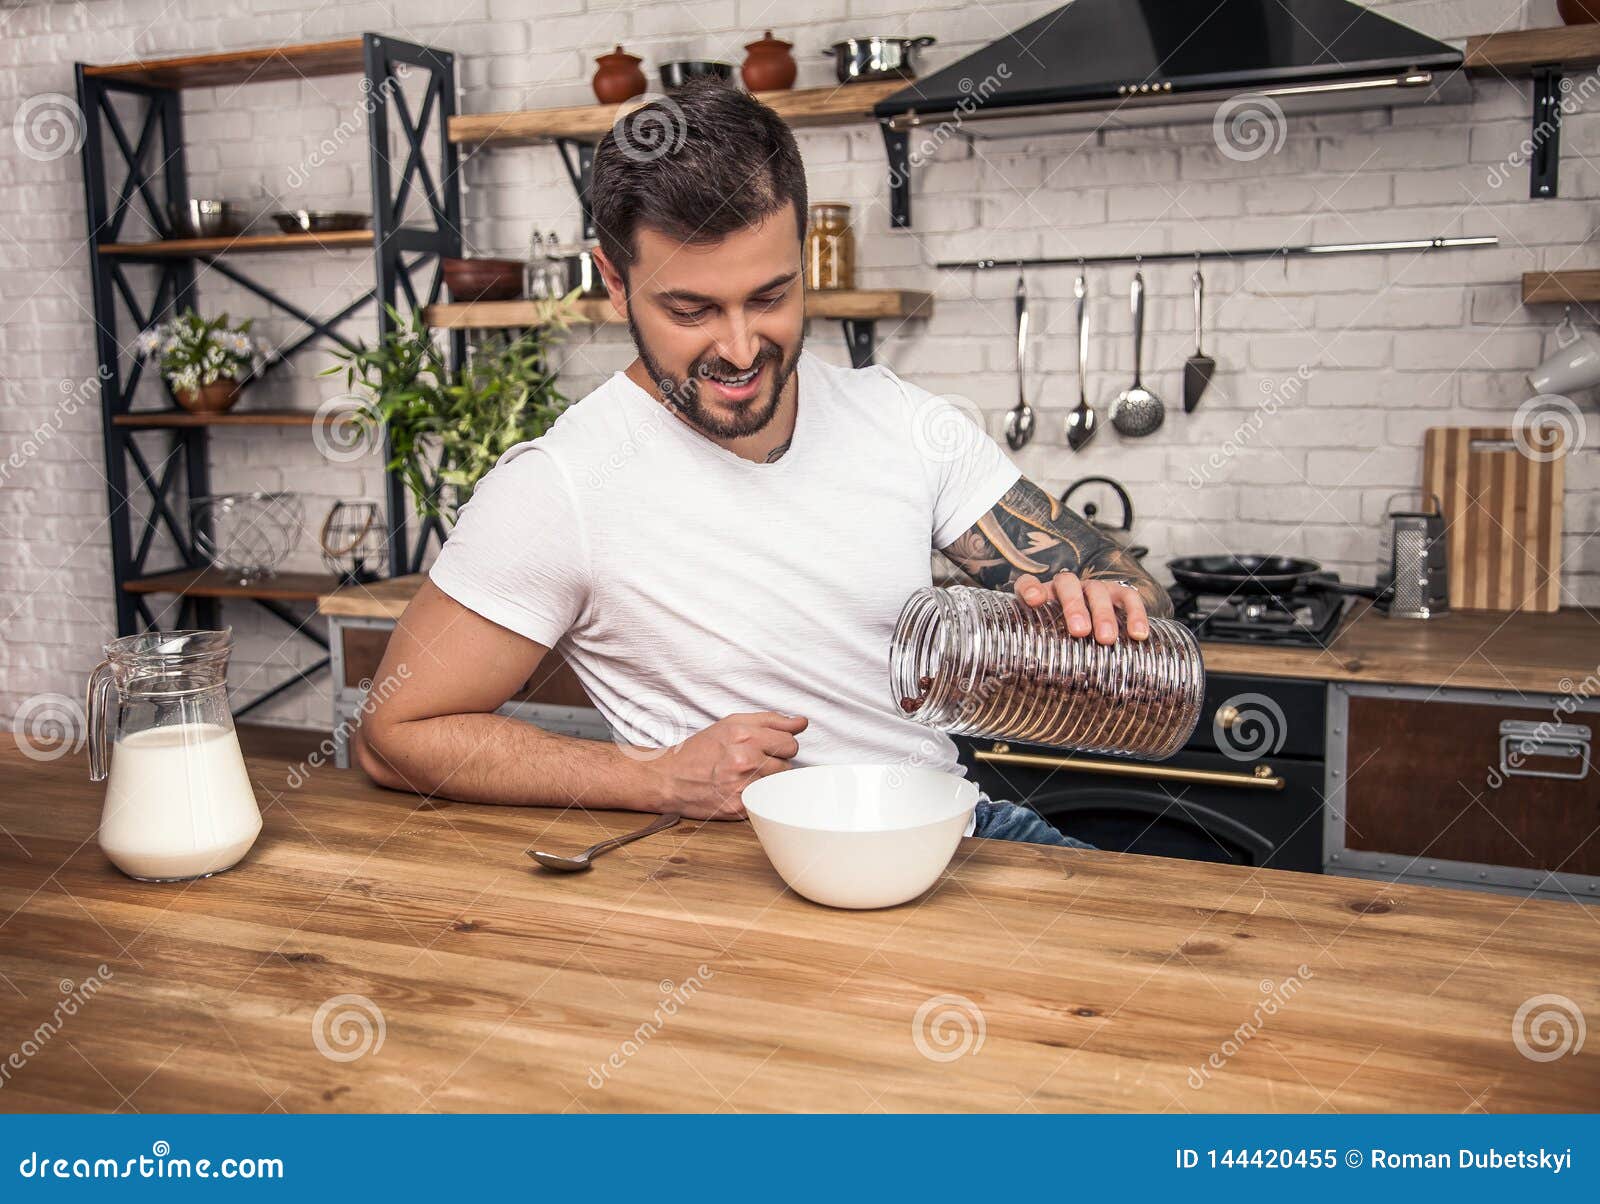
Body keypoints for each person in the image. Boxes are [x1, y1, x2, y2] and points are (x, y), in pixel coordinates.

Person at [354, 80, 1171, 847]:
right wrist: (653, 777)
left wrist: (1108, 601)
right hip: (741, 866)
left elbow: (1120, 577)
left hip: (957, 831)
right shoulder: (560, 485)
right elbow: (394, 738)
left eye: (770, 297)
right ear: (613, 282)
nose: (741, 349)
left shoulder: (902, 419)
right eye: (692, 309)